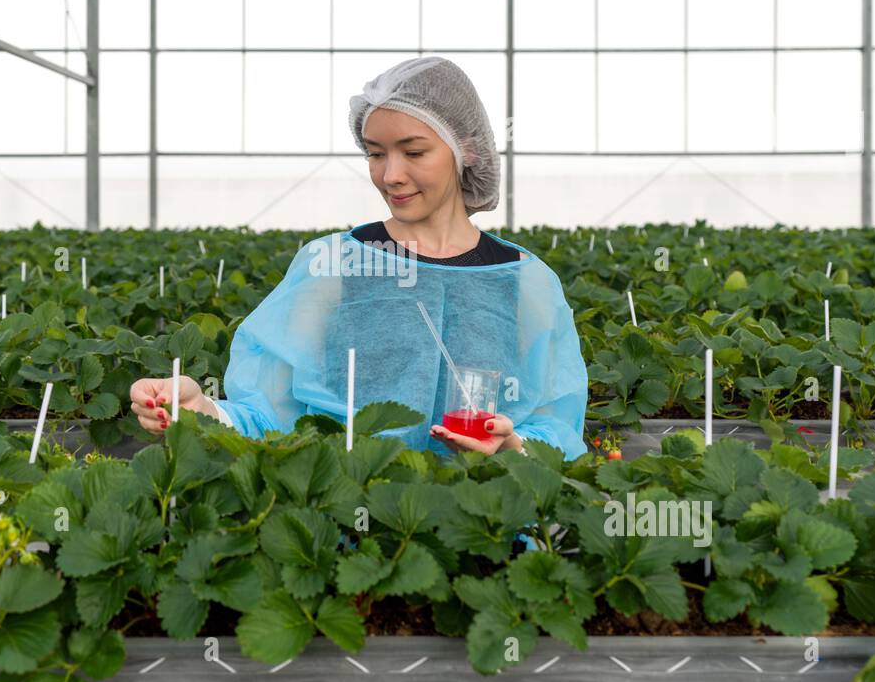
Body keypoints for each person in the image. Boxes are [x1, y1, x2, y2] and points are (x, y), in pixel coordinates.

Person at [129, 56, 588, 464]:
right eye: (374, 153)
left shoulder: (525, 280)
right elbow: (270, 415)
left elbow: (556, 430)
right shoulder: (332, 266)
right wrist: (204, 411)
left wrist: (511, 449)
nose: (390, 175)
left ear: (466, 149)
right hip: (348, 524)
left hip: (488, 529)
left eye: (413, 152)